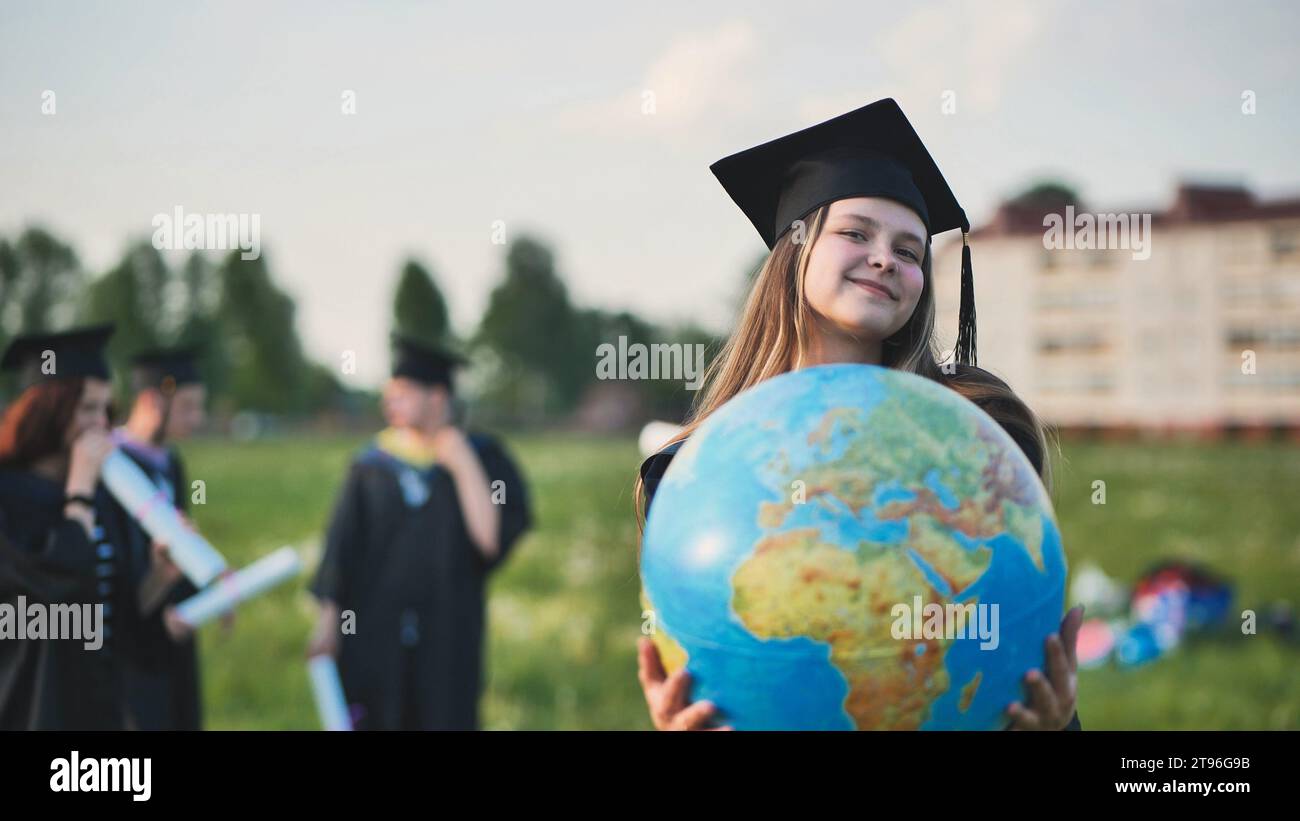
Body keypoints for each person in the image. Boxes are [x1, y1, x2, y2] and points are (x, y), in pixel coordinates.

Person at [634, 98, 1082, 731]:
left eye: (909, 250)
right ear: (795, 249)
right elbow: (705, 660)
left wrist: (1058, 725)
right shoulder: (695, 470)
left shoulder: (974, 429)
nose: (884, 259)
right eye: (856, 232)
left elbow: (1013, 629)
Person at [307, 334, 532, 730]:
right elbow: (340, 547)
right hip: (373, 634)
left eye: (404, 392)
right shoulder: (370, 464)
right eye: (390, 392)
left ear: (438, 397)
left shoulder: (484, 456)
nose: (390, 402)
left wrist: (462, 464)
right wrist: (328, 619)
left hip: (448, 634)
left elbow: (489, 541)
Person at [0, 325, 181, 729]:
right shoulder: (8, 497)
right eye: (86, 409)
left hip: (98, 705)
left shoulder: (104, 495)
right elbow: (51, 595)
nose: (101, 424)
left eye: (105, 409)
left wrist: (156, 580)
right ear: (48, 410)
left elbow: (105, 610)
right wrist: (78, 490)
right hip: (29, 705)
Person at [109, 347, 209, 730]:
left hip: (177, 630)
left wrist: (211, 589)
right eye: (187, 407)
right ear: (152, 401)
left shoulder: (172, 463)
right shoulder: (114, 468)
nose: (196, 419)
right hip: (134, 638)